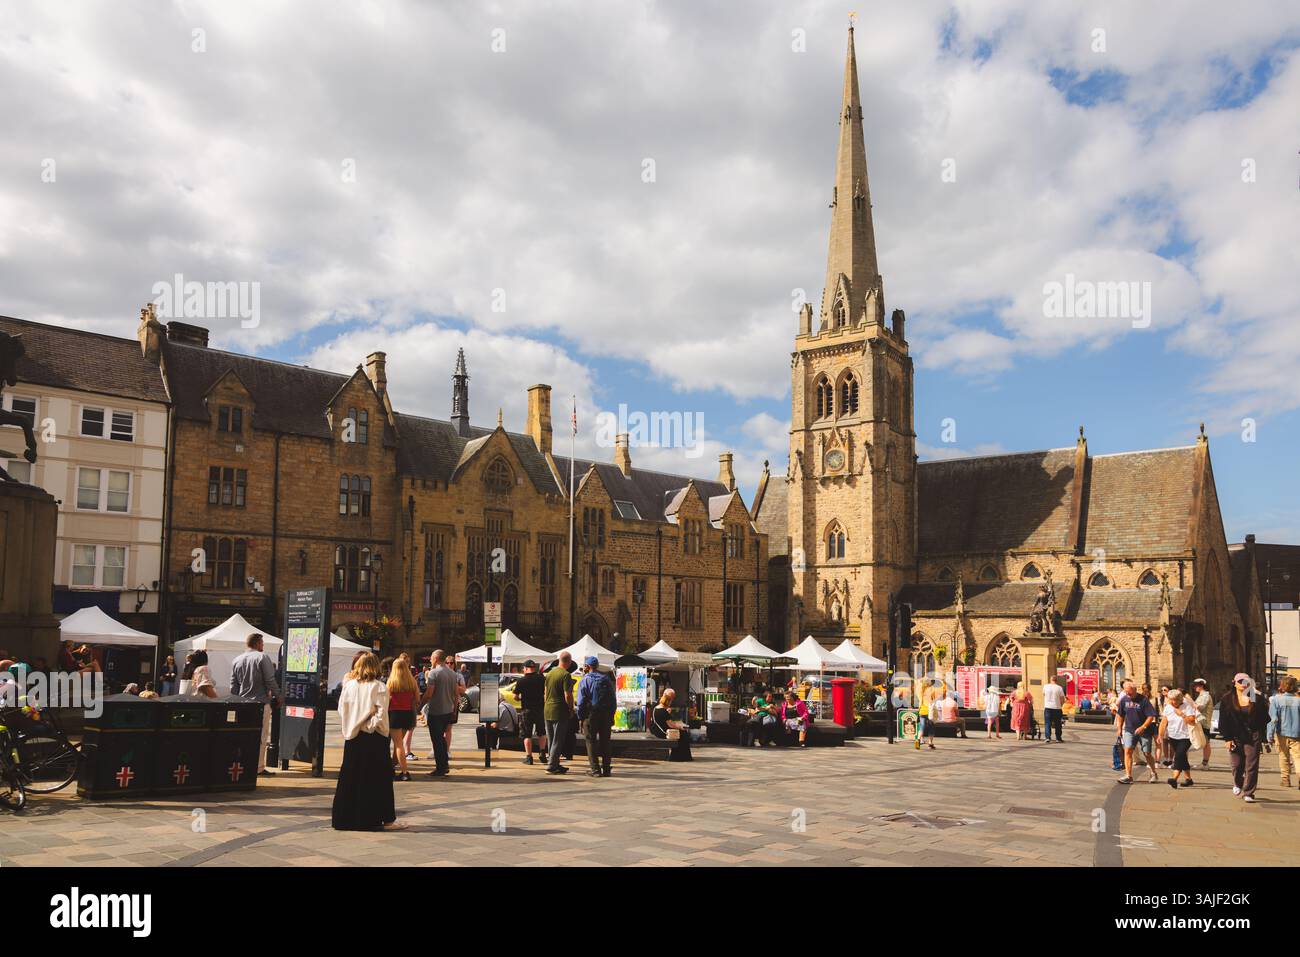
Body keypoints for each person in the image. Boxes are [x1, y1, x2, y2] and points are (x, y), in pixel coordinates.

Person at [332, 652, 402, 832]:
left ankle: (346, 818)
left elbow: (341, 709)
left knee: (350, 777)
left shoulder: (349, 686)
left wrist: (353, 723)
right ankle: (383, 819)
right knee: (379, 778)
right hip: (374, 738)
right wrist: (369, 726)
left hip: (352, 737)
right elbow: (381, 713)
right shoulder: (379, 687)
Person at [229, 632, 280, 776]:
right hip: (260, 703)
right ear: (257, 643)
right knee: (261, 736)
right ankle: (258, 767)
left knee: (244, 735)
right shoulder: (262, 657)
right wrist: (279, 696)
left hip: (243, 704)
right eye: (262, 643)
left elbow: (233, 686)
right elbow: (270, 680)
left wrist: (236, 702)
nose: (263, 646)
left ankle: (242, 763)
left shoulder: (236, 660)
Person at [1219, 673, 1270, 802]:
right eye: (1240, 681)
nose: (1243, 683)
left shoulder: (1256, 698)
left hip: (1253, 735)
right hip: (1235, 736)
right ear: (1234, 682)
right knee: (1236, 766)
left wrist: (1260, 732)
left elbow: (1265, 718)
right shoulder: (1227, 699)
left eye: (1246, 681)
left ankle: (1249, 792)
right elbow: (1223, 721)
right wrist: (1227, 738)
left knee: (1251, 765)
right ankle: (1238, 783)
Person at [419, 650, 458, 777]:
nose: (430, 660)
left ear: (435, 658)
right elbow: (456, 694)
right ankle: (444, 764)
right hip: (448, 711)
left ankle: (440, 767)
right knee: (441, 739)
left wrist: (419, 704)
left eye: (431, 658)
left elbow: (429, 693)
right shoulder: (452, 673)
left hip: (436, 711)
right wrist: (454, 710)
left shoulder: (433, 673)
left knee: (437, 740)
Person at [576, 656, 616, 777]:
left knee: (591, 741)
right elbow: (613, 700)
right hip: (605, 714)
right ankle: (607, 769)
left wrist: (580, 717)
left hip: (591, 715)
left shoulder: (585, 680)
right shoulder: (606, 679)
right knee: (605, 742)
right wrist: (611, 715)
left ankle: (595, 770)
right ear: (597, 666)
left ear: (587, 667)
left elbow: (581, 701)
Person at [1114, 678, 1158, 783]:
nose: (1127, 693)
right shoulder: (1124, 699)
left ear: (1134, 689)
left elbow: (1151, 716)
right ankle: (1128, 776)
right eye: (1125, 691)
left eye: (1128, 691)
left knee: (1147, 753)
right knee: (1128, 750)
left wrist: (1143, 727)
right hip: (1129, 729)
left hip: (1144, 731)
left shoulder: (1143, 700)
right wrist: (1119, 728)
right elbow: (1120, 715)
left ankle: (1153, 772)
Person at [386, 653, 419, 781]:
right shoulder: (412, 682)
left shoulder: (391, 682)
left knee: (398, 745)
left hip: (394, 714)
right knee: (398, 745)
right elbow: (417, 699)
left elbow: (386, 699)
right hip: (408, 714)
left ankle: (405, 772)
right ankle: (391, 767)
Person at [1159, 688, 1200, 788]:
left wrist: (1181, 714)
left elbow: (1192, 721)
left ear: (1180, 699)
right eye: (1171, 700)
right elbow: (1164, 722)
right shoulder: (1168, 707)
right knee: (1183, 758)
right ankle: (1188, 779)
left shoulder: (1187, 706)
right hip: (1173, 736)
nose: (1173, 702)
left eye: (1175, 700)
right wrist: (1160, 735)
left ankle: (1174, 779)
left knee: (1178, 756)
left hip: (1186, 736)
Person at [543, 651, 575, 774]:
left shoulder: (550, 673)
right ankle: (551, 765)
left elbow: (545, 693)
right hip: (559, 710)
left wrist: (547, 704)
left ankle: (554, 763)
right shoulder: (566, 675)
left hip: (548, 709)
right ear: (569, 662)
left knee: (551, 739)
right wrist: (571, 708)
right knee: (558, 739)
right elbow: (568, 695)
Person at [513, 660, 548, 765]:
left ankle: (529, 757)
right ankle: (542, 754)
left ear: (526, 668)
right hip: (540, 709)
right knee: (541, 732)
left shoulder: (521, 681)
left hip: (527, 710)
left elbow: (515, 696)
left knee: (527, 734)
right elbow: (546, 693)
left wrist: (520, 699)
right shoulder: (542, 679)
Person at [1268, 675, 1300, 789]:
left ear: (1282, 686)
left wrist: (1270, 734)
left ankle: (1285, 779)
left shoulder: (1276, 700)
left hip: (1281, 733)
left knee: (1283, 756)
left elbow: (1274, 719)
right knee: (1298, 757)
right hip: (1297, 733)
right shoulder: (1299, 701)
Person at [649, 688, 693, 761]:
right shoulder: (663, 711)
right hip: (663, 732)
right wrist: (681, 727)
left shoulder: (656, 707)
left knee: (682, 733)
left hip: (658, 729)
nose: (672, 701)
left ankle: (679, 756)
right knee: (683, 734)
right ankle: (680, 757)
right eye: (671, 699)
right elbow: (671, 725)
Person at [1191, 678, 1214, 769]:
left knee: (1206, 743)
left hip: (1203, 722)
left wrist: (1190, 702)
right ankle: (1205, 763)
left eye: (1196, 686)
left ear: (1201, 686)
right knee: (1205, 743)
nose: (1194, 687)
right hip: (1201, 722)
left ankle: (1205, 763)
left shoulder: (1205, 696)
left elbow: (1200, 708)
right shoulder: (1201, 695)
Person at [1042, 677, 1065, 744]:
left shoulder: (1045, 687)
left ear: (1050, 680)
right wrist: (1061, 705)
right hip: (1057, 708)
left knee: (1047, 723)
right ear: (1056, 680)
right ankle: (1058, 738)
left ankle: (1047, 737)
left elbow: (1043, 694)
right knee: (1058, 723)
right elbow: (1062, 699)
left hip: (1048, 707)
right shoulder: (1059, 688)